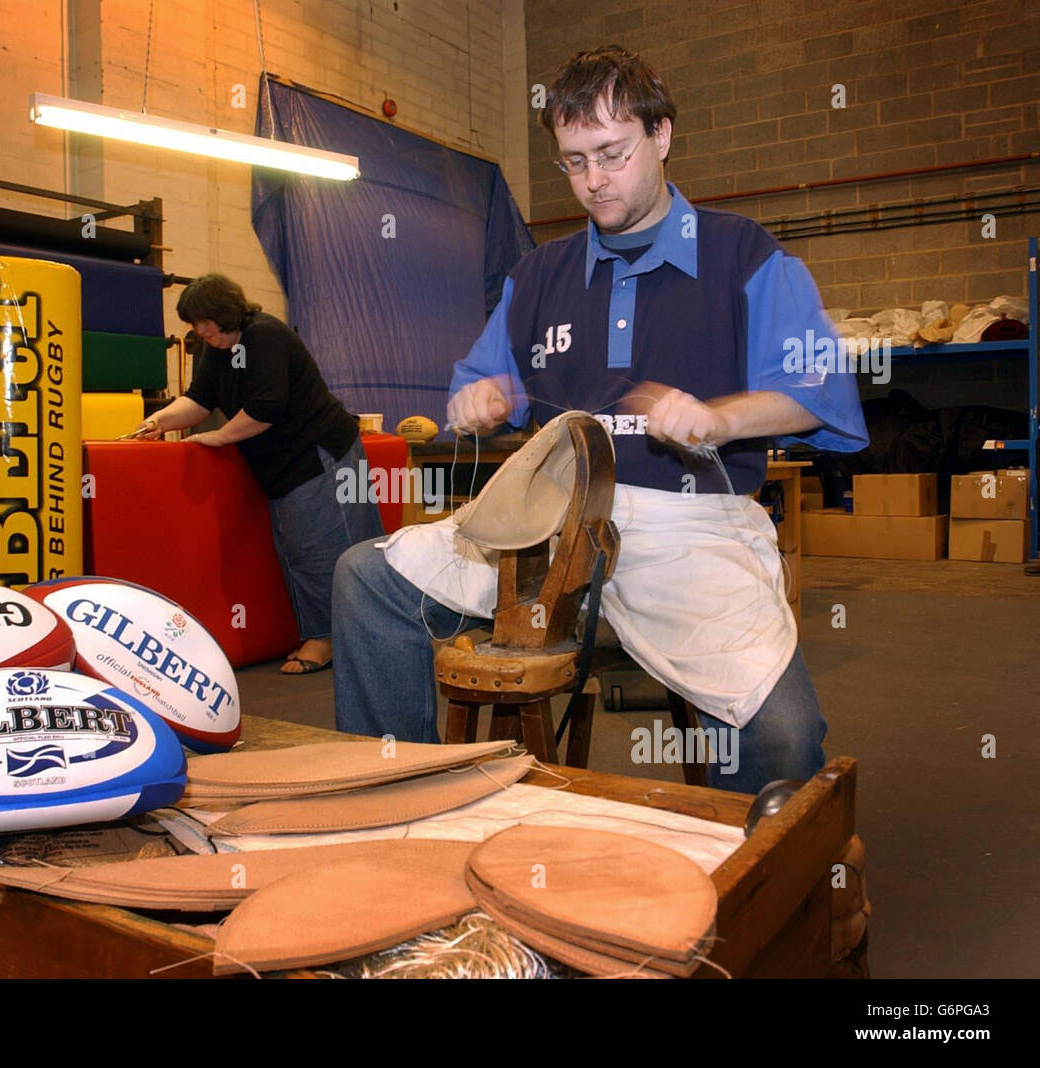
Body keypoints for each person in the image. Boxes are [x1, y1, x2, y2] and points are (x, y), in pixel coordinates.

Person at [331, 46, 870, 793]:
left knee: (780, 735)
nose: (592, 182)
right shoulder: (540, 275)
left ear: (663, 136)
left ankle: (754, 894)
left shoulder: (745, 255)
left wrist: (716, 419)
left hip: (692, 529)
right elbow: (483, 384)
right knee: (366, 578)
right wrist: (479, 401)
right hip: (547, 525)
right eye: (574, 162)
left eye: (612, 154)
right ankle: (400, 804)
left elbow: (816, 390)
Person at [135, 273, 383, 674]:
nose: (200, 332)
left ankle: (329, 639)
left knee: (324, 546)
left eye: (205, 323)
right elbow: (200, 398)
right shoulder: (217, 348)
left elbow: (267, 408)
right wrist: (159, 421)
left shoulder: (266, 337)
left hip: (318, 453)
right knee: (296, 550)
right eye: (195, 326)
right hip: (284, 463)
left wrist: (219, 437)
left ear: (224, 313)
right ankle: (326, 633)